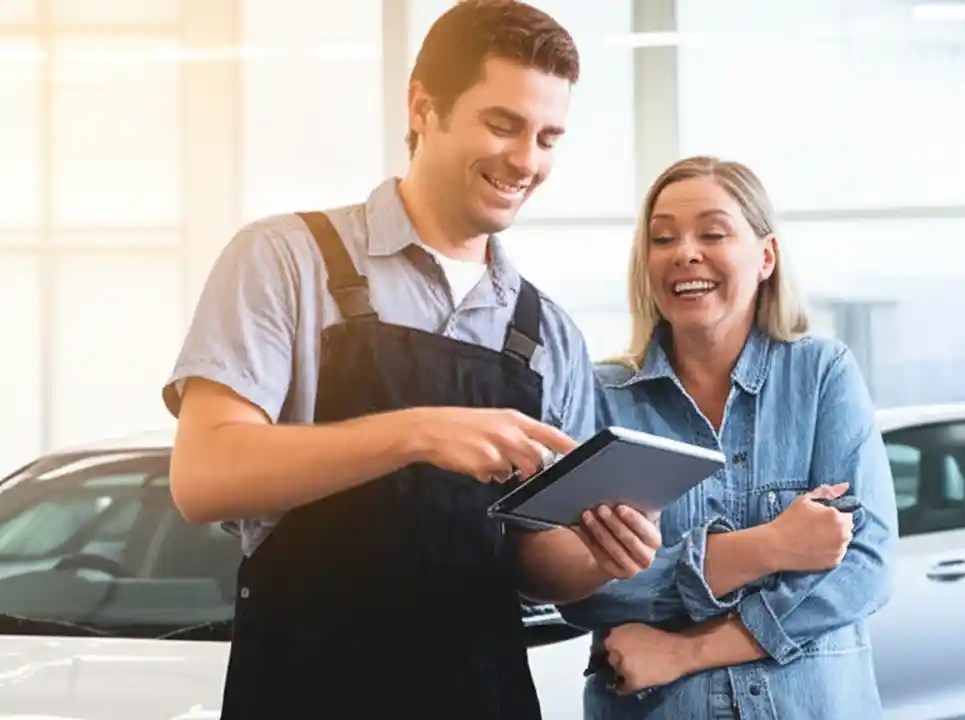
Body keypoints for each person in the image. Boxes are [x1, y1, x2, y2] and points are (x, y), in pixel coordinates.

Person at [162, 2, 661, 718]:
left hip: (478, 695)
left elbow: (530, 561)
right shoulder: (286, 260)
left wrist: (603, 556)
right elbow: (204, 476)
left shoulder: (548, 332)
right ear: (423, 107)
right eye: (502, 124)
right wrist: (416, 432)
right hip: (309, 692)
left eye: (548, 137)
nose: (527, 161)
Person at [559, 156, 898, 719]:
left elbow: (865, 564)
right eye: (662, 237)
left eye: (713, 233)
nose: (684, 252)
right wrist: (770, 549)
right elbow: (583, 589)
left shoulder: (821, 374)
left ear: (766, 257)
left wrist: (682, 650)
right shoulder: (602, 399)